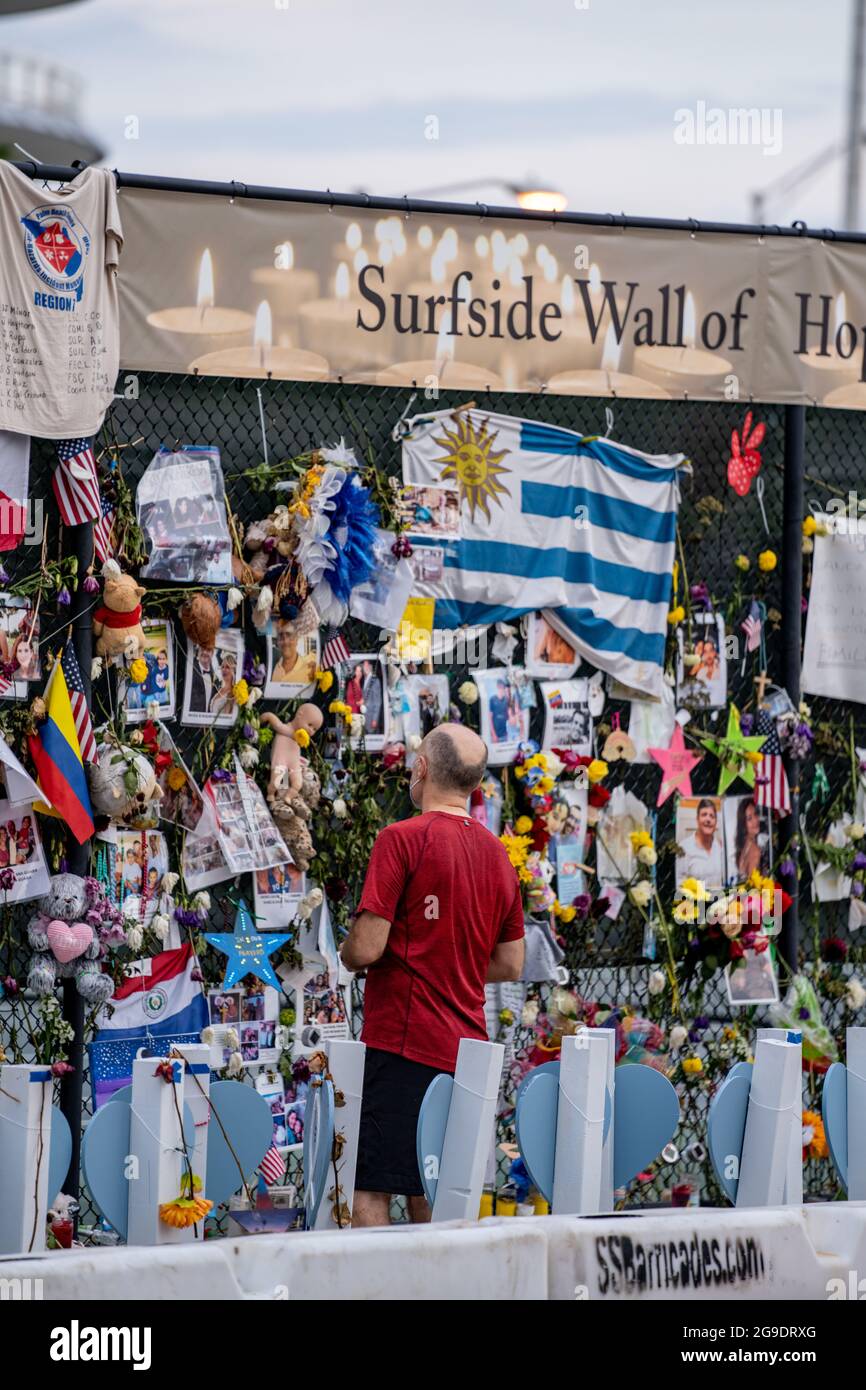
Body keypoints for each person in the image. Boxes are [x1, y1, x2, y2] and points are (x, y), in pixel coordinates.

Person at [341, 723, 526, 1227]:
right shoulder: (499, 857)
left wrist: (348, 950)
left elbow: (366, 948)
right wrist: (454, 964)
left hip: (403, 1040)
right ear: (475, 785)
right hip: (466, 1048)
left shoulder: (401, 839)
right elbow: (511, 962)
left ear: (421, 769)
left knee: (369, 1187)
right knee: (433, 1188)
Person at [679, 798, 724, 888]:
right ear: (697, 819)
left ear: (715, 822)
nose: (708, 819)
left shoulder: (721, 847)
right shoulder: (683, 847)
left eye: (712, 816)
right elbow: (679, 882)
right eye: (704, 815)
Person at [734, 797, 765, 881]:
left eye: (756, 814)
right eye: (749, 818)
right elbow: (753, 888)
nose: (755, 820)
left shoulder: (744, 845)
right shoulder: (755, 850)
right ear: (743, 823)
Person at [188, 644, 215, 713]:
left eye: (208, 650)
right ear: (198, 651)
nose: (205, 652)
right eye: (202, 649)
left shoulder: (214, 675)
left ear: (212, 653)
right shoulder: (189, 669)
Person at [361, 659, 382, 734]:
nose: (364, 667)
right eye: (364, 665)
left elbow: (377, 702)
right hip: (364, 717)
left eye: (366, 665)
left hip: (371, 718)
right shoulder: (363, 679)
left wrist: (375, 719)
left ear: (371, 666)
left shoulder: (375, 681)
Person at [488, 678, 510, 743]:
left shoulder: (506, 700)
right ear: (497, 687)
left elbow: (508, 717)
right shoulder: (492, 699)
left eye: (503, 687)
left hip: (504, 734)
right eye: (500, 686)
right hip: (495, 734)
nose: (502, 688)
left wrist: (507, 733)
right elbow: (490, 718)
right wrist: (493, 734)